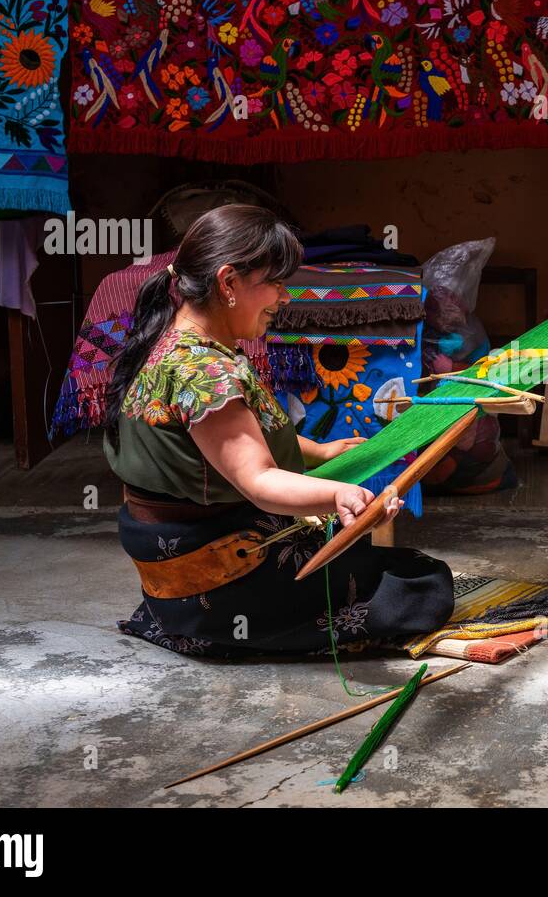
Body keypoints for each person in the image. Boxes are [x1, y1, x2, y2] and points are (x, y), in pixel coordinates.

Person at [102, 204, 454, 657]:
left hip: (176, 568)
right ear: (228, 283)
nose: (284, 298)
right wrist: (336, 495)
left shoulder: (171, 343)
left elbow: (241, 436)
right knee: (422, 581)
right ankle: (223, 628)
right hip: (222, 581)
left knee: (361, 549)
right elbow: (259, 480)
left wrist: (321, 453)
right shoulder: (204, 371)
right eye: (275, 282)